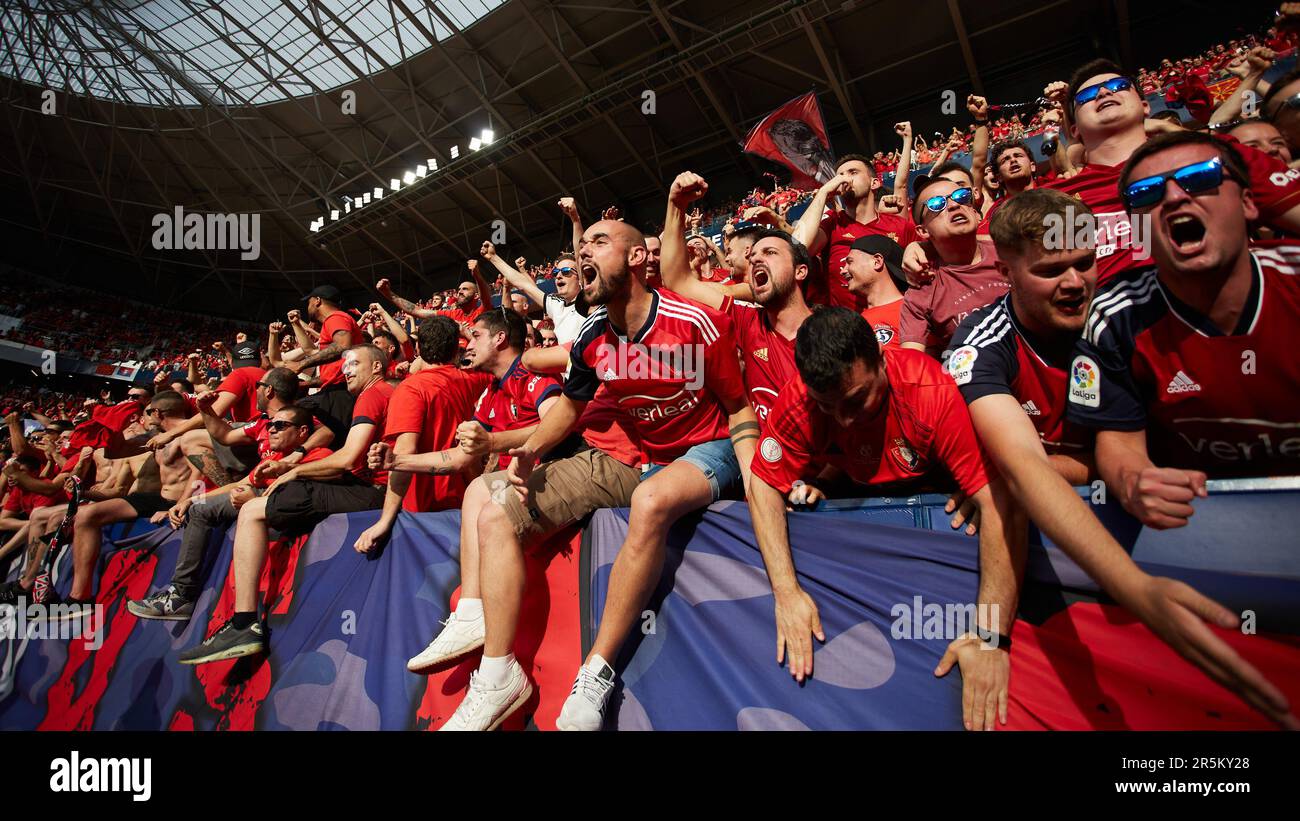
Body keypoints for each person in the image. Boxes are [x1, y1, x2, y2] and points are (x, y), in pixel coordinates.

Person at [949, 186, 1296, 729]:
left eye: (1085, 263)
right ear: (1006, 268)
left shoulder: (1130, 316)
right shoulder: (981, 346)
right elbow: (1021, 468)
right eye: (1049, 269)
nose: (1073, 283)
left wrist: (1020, 470)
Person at [437, 218, 758, 731]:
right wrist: (532, 447)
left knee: (653, 499)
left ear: (636, 259)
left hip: (705, 447)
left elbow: (739, 406)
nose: (583, 250)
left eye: (598, 242)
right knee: (496, 512)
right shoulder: (591, 338)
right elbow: (569, 406)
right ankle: (498, 677)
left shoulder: (693, 322)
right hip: (636, 458)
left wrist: (752, 473)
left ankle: (597, 672)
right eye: (581, 243)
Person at [747, 308, 1025, 731]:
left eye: (857, 400)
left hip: (938, 500)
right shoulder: (799, 400)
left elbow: (1003, 504)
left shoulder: (928, 389)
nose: (843, 419)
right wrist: (786, 593)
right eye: (827, 406)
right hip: (866, 495)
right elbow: (762, 484)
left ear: (881, 359)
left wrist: (991, 640)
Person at [1068, 131, 1300, 528]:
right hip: (1203, 527)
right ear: (1135, 228)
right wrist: (1133, 481)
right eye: (1146, 193)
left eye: (1201, 178)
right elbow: (1120, 441)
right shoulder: (1113, 316)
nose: (1175, 197)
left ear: (1248, 203)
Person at [179, 344, 395, 664]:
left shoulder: (373, 396)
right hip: (374, 486)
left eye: (354, 364)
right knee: (256, 501)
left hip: (374, 488)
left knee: (253, 510)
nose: (345, 369)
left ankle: (243, 623)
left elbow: (346, 460)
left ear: (377, 368)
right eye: (345, 364)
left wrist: (292, 471)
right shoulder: (380, 394)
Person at [127, 404, 330, 621]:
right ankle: (181, 595)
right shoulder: (275, 456)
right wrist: (191, 499)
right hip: (257, 503)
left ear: (303, 432)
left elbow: (305, 503)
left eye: (280, 425)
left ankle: (186, 598)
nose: (271, 429)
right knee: (199, 509)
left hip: (278, 527)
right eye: (270, 424)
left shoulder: (320, 457)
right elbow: (242, 483)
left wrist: (256, 501)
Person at [658, 171, 812, 424]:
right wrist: (676, 204)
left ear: (800, 270)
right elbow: (677, 280)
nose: (756, 259)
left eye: (770, 252)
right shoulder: (746, 321)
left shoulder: (829, 329)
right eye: (752, 256)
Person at [53, 391, 221, 618]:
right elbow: (116, 451)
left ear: (157, 413)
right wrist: (108, 418)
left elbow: (200, 475)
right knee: (86, 515)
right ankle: (80, 597)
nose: (144, 417)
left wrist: (180, 505)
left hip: (180, 500)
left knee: (87, 515)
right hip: (157, 498)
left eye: (147, 411)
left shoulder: (190, 434)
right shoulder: (158, 436)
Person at [793, 153, 921, 311]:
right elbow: (798, 246)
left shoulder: (900, 226)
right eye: (840, 175)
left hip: (896, 321)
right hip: (848, 329)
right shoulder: (832, 224)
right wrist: (823, 192)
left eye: (853, 172)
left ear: (874, 183)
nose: (845, 179)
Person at [899, 177, 1010, 357]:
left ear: (975, 212)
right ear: (922, 231)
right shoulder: (923, 287)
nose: (953, 205)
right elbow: (912, 363)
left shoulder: (1011, 253)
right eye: (936, 204)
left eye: (960, 196)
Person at [284, 285, 359, 390]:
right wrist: (300, 385)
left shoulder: (336, 317)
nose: (308, 307)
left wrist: (300, 364)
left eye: (309, 302)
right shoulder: (332, 322)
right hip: (335, 389)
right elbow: (311, 351)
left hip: (340, 391)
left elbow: (343, 346)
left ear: (317, 301)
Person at [841, 235, 908, 350]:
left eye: (850, 262)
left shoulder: (912, 312)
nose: (843, 270)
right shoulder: (856, 321)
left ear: (877, 262)